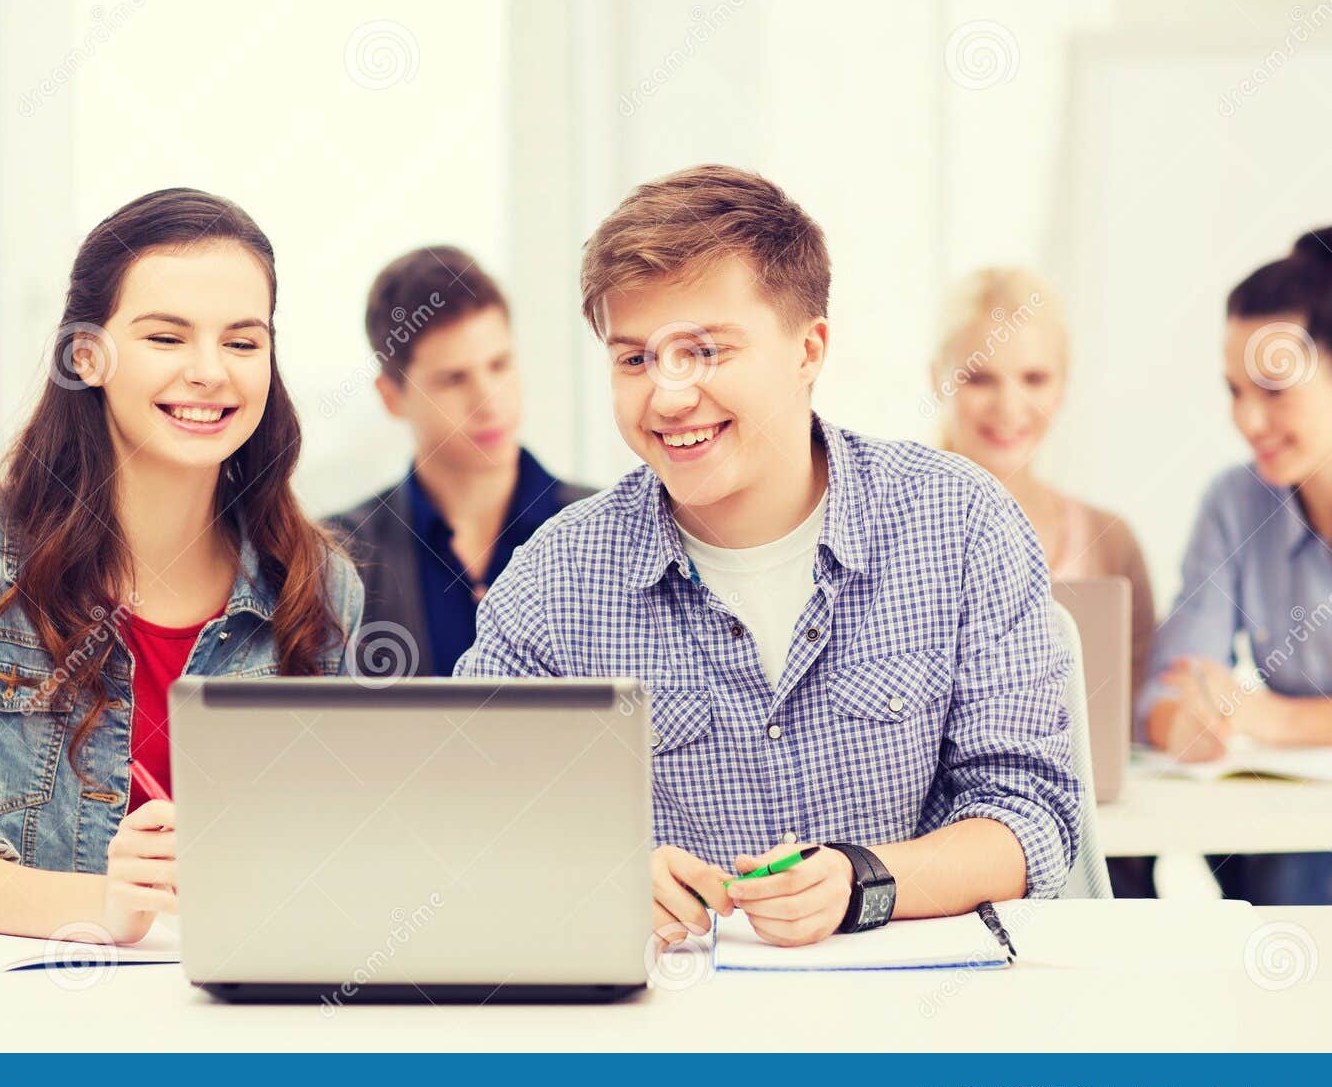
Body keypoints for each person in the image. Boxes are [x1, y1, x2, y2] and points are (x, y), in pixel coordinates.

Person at [455, 165, 1082, 948]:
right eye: (634, 359)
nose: (669, 396)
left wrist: (865, 881)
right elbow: (472, 824)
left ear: (807, 349)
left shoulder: (961, 523)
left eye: (706, 351)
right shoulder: (555, 578)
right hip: (675, 1033)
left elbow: (1033, 817)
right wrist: (599, 873)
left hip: (917, 1020)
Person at [0, 188, 362, 943]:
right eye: (167, 338)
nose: (210, 372)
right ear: (86, 354)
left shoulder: (315, 586)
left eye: (243, 343)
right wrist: (104, 908)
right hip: (26, 1022)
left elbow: (342, 852)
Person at [1138, 227, 1332, 905]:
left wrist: (1276, 719)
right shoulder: (1236, 499)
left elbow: (1264, 716)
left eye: (1274, 390)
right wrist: (1184, 719)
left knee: (1298, 868)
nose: (1247, 420)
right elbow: (1173, 679)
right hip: (1285, 818)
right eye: (1233, 390)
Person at [329, 246, 593, 677]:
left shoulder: (615, 531)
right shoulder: (337, 558)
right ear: (391, 397)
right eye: (454, 379)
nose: (489, 401)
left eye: (499, 364)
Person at [931, 268, 1155, 692]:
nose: (1010, 407)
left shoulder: (1111, 541)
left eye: (1035, 379)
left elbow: (1134, 716)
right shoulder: (881, 532)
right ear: (936, 381)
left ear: (1063, 385)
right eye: (980, 378)